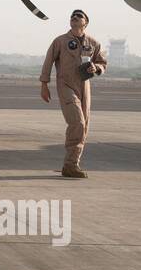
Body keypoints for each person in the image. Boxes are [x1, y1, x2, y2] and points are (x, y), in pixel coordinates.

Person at [40, 9, 107, 178]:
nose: (75, 18)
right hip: (66, 84)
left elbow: (102, 62)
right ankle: (70, 165)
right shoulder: (60, 41)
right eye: (72, 16)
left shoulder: (93, 43)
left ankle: (72, 165)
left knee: (84, 126)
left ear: (86, 23)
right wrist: (44, 84)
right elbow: (48, 61)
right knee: (77, 122)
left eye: (79, 16)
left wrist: (96, 67)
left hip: (84, 86)